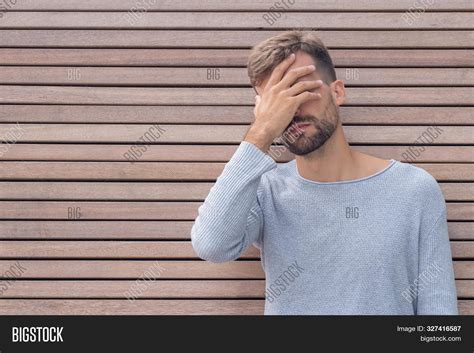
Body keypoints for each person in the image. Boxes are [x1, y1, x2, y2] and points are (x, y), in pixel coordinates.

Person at [191, 31, 458, 315]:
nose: (291, 110)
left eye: (300, 91)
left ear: (337, 92)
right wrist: (261, 132)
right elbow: (212, 245)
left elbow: (437, 314)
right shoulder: (264, 191)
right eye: (276, 101)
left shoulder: (413, 189)